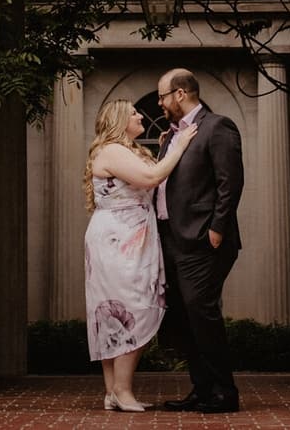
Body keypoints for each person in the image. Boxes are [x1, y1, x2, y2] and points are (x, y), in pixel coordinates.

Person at [84, 97, 195, 412]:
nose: (140, 115)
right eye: (133, 112)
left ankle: (113, 393)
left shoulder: (125, 151)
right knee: (133, 308)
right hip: (119, 240)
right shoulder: (112, 151)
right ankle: (122, 390)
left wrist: (163, 150)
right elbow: (151, 179)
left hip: (129, 236)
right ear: (120, 120)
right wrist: (179, 146)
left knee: (114, 313)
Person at [153, 67, 243, 414]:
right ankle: (202, 389)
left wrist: (217, 228)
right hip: (172, 241)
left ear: (179, 94)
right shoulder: (172, 135)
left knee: (201, 313)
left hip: (204, 241)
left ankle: (225, 392)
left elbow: (229, 182)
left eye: (162, 95)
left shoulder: (217, 126)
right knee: (184, 316)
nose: (159, 102)